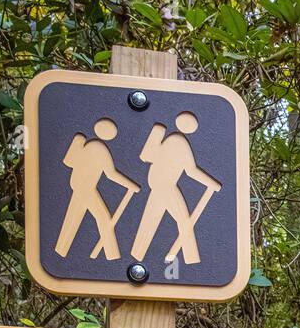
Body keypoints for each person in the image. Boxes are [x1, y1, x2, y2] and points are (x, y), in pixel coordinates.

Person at [130, 112, 222, 265]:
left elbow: (188, 170)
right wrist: (212, 183)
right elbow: (191, 171)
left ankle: (137, 254)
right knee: (183, 220)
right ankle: (191, 260)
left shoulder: (170, 140)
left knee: (151, 219)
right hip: (166, 186)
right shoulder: (179, 143)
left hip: (157, 185)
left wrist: (211, 183)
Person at [54, 118, 140, 261]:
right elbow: (111, 174)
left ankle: (61, 251)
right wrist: (130, 185)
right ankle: (112, 256)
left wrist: (131, 185)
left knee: (74, 219)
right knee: (103, 218)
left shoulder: (89, 146)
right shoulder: (100, 149)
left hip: (79, 186)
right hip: (85, 189)